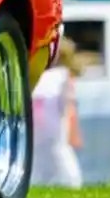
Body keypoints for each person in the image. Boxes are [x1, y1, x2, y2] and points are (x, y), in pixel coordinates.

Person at [31, 36, 85, 188]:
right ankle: (71, 183)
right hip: (53, 128)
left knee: (44, 157)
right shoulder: (61, 77)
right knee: (59, 155)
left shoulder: (49, 77)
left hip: (43, 128)